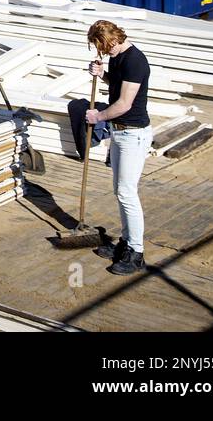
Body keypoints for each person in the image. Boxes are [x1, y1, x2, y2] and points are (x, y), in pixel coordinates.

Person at [86, 20, 152, 275]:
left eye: (103, 47)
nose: (102, 52)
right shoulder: (119, 58)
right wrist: (103, 74)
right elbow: (118, 86)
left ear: (114, 39)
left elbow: (124, 103)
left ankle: (136, 253)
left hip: (133, 135)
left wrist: (98, 117)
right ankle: (125, 243)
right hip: (120, 133)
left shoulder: (135, 60)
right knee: (120, 191)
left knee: (127, 193)